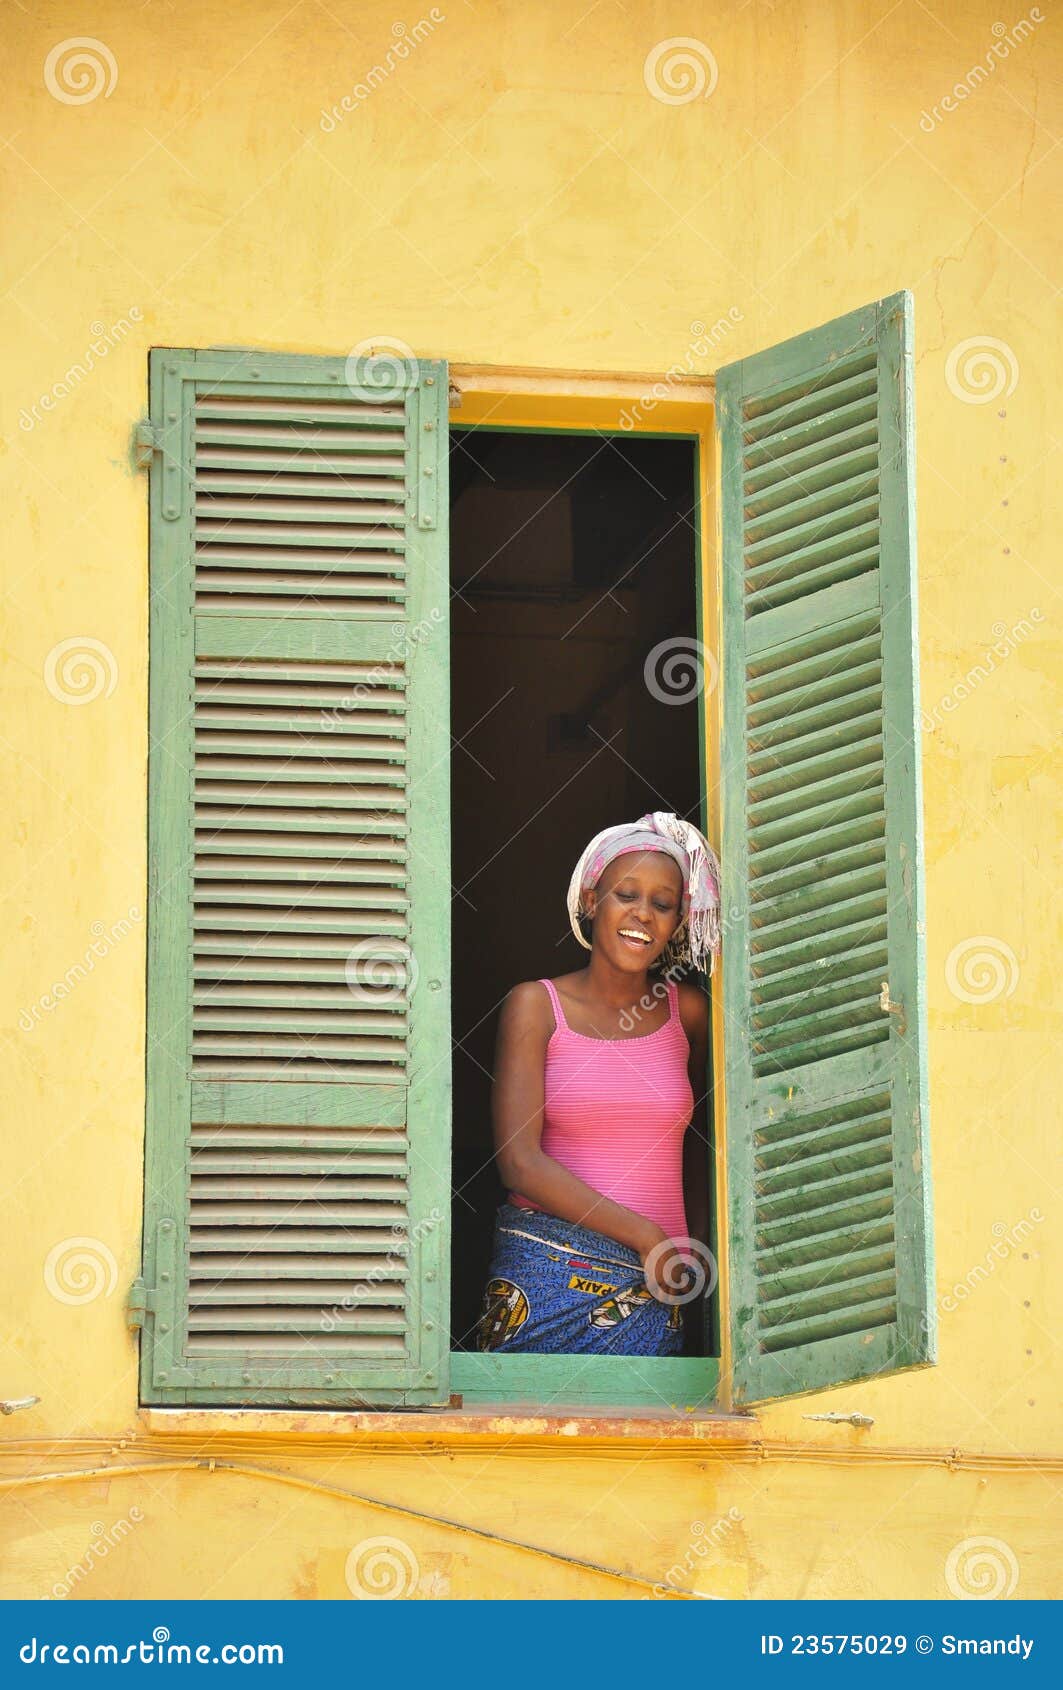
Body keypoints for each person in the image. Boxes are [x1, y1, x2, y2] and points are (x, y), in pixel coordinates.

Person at [475, 810, 721, 1356]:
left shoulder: (690, 1014)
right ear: (592, 901)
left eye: (662, 904)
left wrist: (694, 1254)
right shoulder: (536, 1006)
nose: (643, 914)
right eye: (625, 895)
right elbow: (519, 1162)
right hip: (546, 1279)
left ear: (678, 921)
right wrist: (645, 1236)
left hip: (659, 1288)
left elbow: (703, 1147)